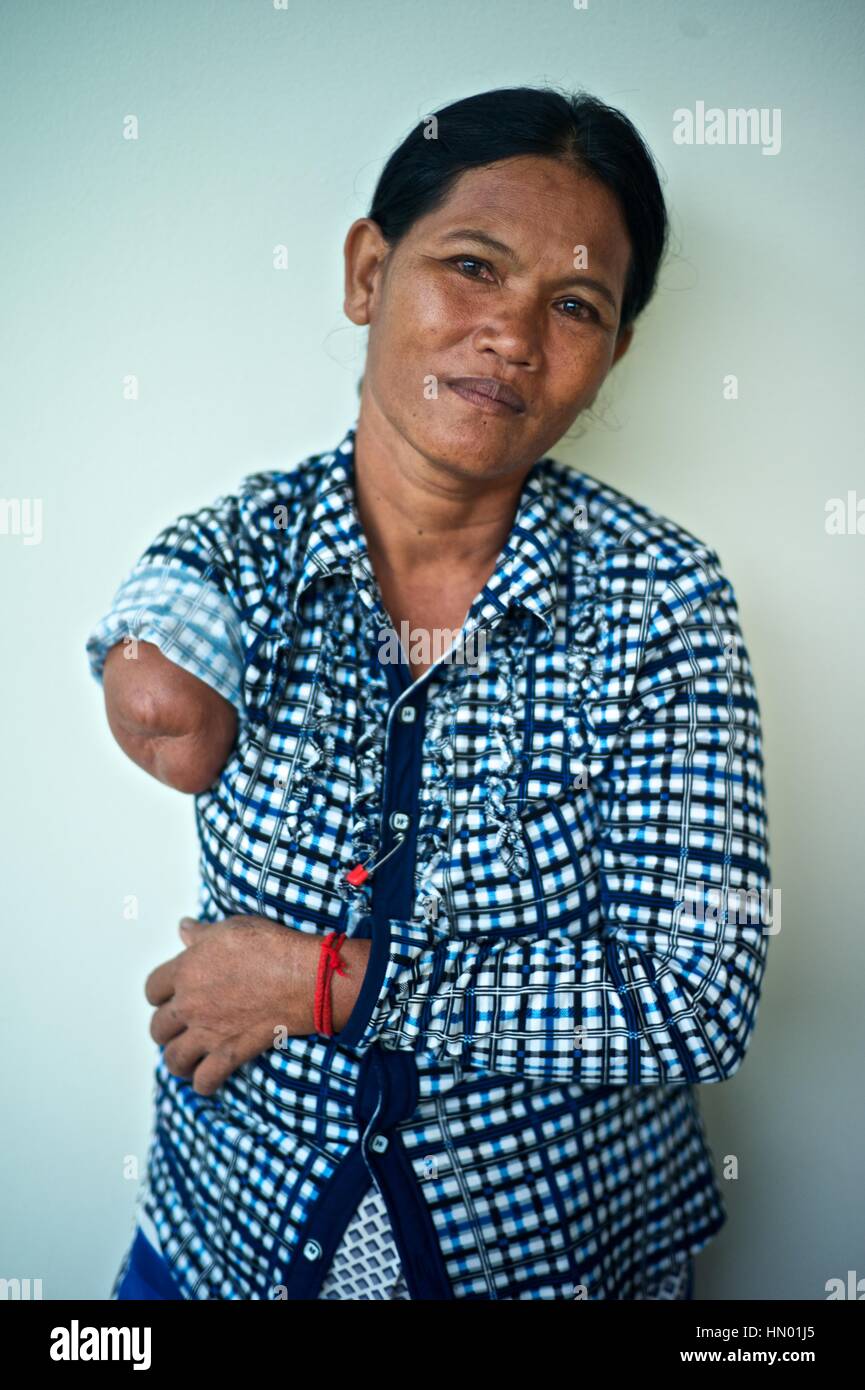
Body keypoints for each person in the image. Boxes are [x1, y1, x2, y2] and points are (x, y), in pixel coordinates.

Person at [86, 85, 771, 1301]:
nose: (511, 334)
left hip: (552, 1260)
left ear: (612, 353)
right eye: (472, 266)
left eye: (574, 305)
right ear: (368, 272)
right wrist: (148, 673)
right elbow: (162, 659)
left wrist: (322, 983)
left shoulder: (663, 600)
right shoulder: (239, 551)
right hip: (231, 1237)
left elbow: (694, 999)